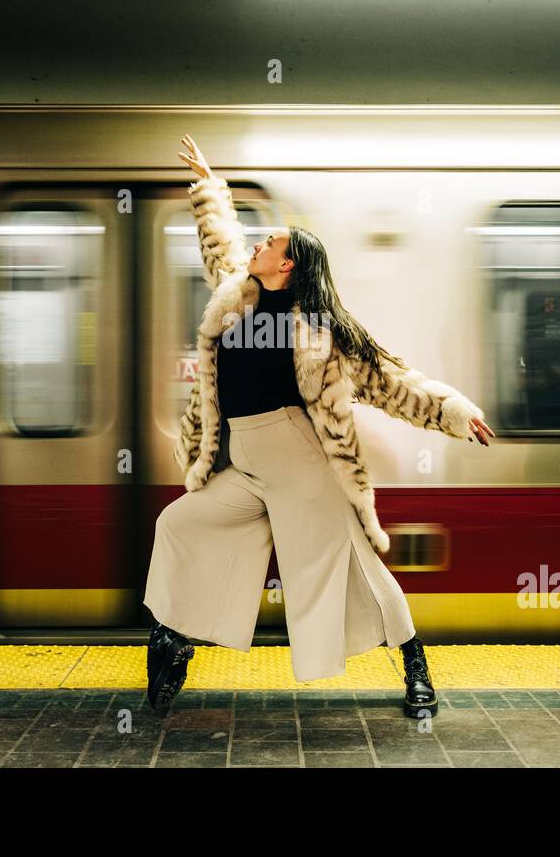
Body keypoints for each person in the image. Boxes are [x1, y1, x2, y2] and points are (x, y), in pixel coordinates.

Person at [145, 135, 494, 718]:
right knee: (181, 523)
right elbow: (220, 242)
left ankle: (416, 669)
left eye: (271, 243)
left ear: (289, 265)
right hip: (242, 461)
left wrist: (455, 412)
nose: (258, 244)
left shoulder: (323, 332)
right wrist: (208, 187)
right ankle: (173, 639)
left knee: (356, 567)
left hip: (301, 461)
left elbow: (391, 384)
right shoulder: (236, 294)